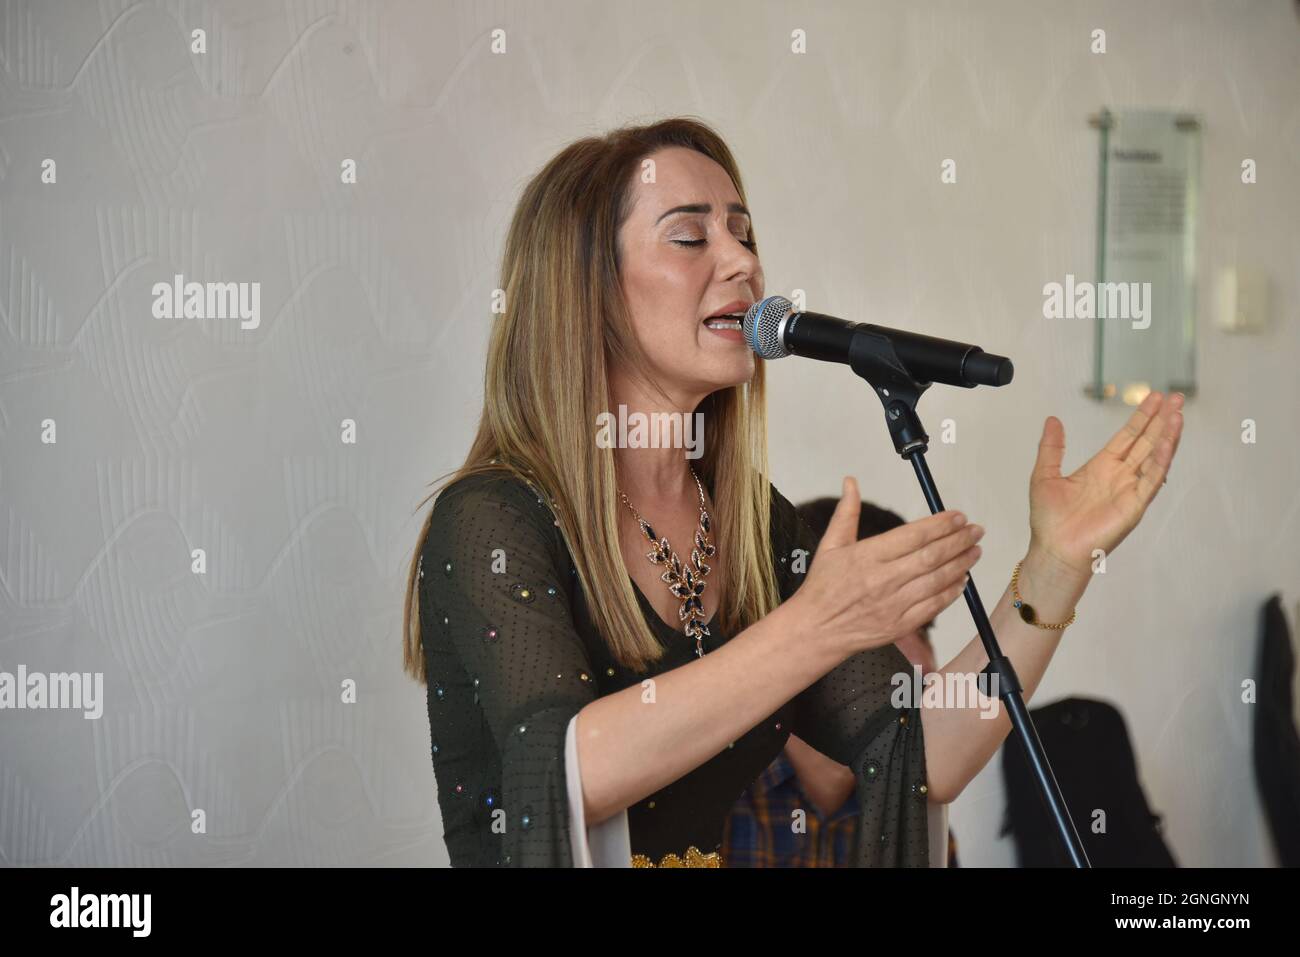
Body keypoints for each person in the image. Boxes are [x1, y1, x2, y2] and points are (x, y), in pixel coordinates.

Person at [400, 116, 1185, 867]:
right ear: (586, 288)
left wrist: (1055, 564)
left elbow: (920, 753)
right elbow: (568, 770)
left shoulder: (749, 523)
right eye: (689, 236)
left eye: (744, 233)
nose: (743, 262)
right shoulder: (492, 518)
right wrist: (810, 631)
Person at [722, 499, 960, 867]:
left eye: (924, 628)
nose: (922, 664)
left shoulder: (915, 813)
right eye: (883, 624)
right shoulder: (710, 800)